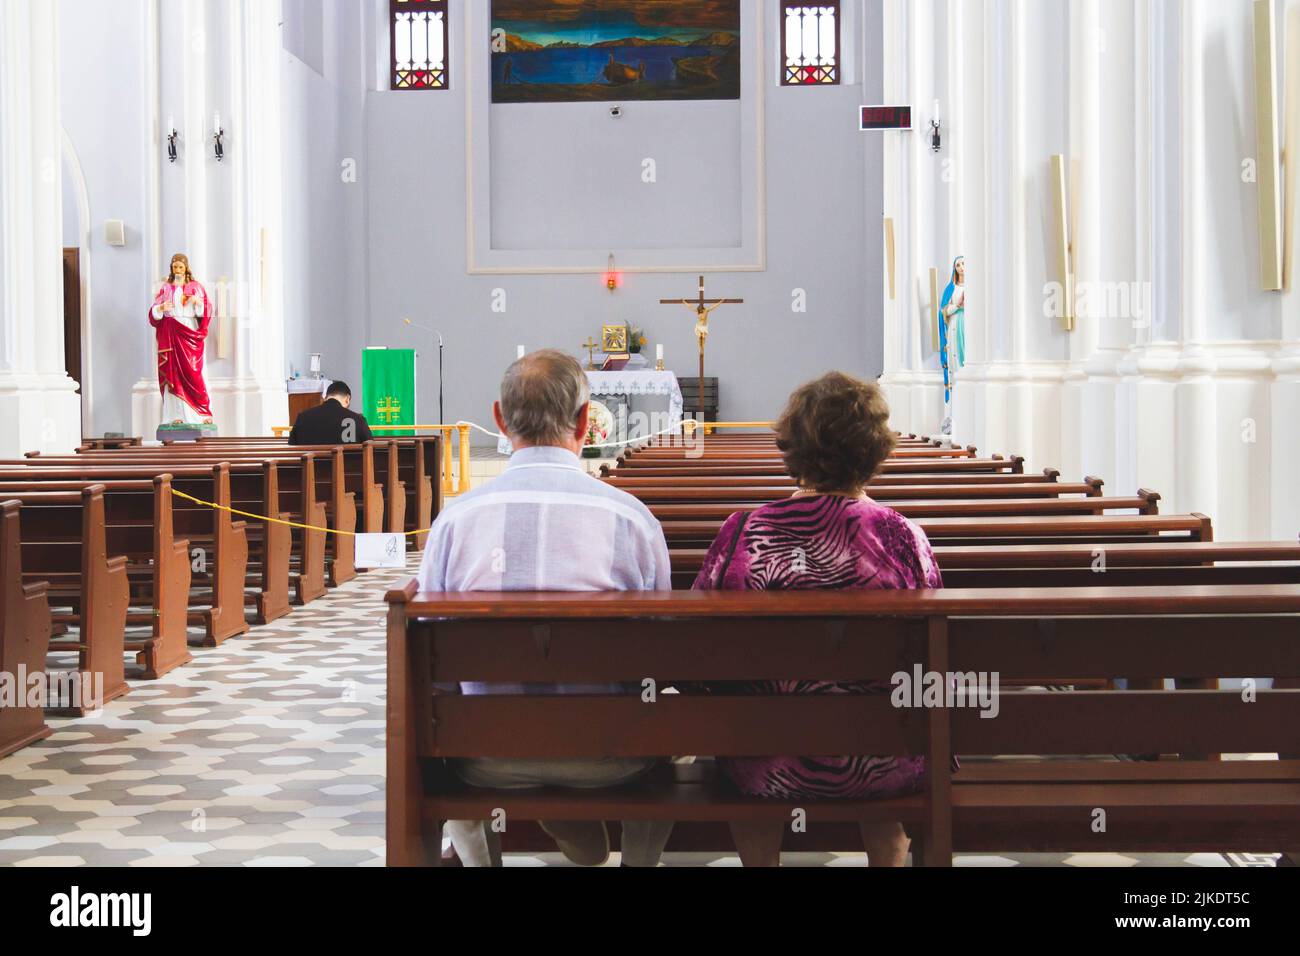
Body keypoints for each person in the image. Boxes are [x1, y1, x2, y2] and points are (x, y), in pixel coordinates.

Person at [416, 349, 674, 867]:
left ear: (499, 418)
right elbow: (665, 649)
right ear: (585, 421)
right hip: (611, 754)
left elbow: (426, 652)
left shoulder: (456, 521)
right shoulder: (632, 520)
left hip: (485, 754)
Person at [691, 371, 944, 867]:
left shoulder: (743, 531)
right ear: (874, 450)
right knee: (885, 717)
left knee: (746, 726)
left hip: (766, 760)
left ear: (793, 448)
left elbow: (697, 643)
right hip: (884, 757)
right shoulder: (905, 537)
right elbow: (934, 648)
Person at [149, 253, 214, 426]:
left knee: (193, 372)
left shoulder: (195, 286)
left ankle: (201, 413)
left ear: (186, 268)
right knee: (173, 373)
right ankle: (174, 415)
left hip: (188, 333)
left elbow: (206, 309)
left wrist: (197, 302)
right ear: (171, 268)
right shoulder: (166, 288)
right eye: (175, 267)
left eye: (180, 267)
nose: (177, 270)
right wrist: (161, 308)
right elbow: (154, 312)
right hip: (170, 333)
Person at [288, 381, 374, 445]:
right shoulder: (358, 419)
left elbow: (292, 446)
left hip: (311, 464)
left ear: (325, 398)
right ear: (347, 399)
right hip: (348, 465)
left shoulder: (302, 418)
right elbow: (370, 448)